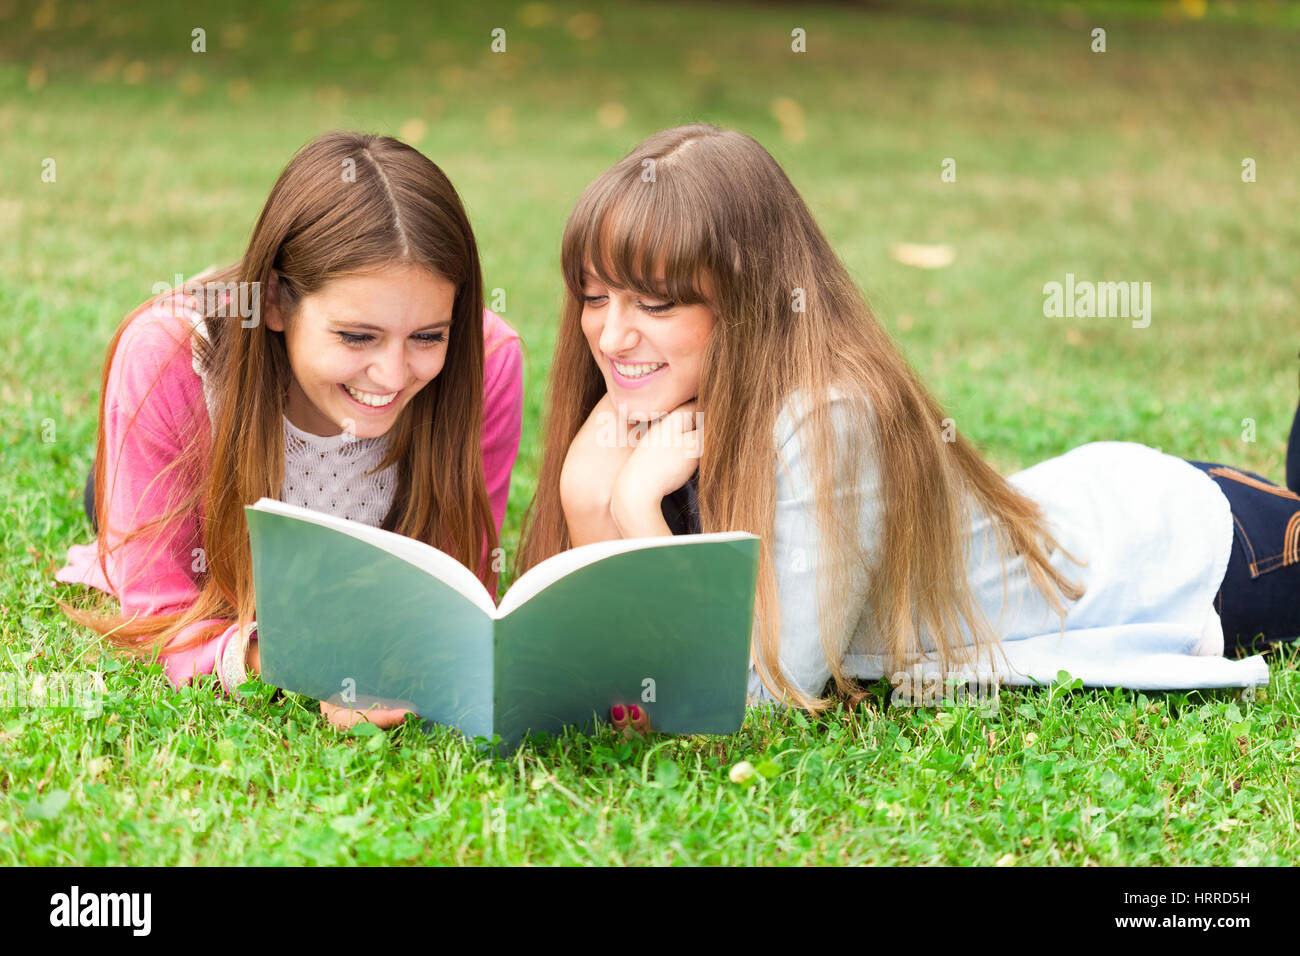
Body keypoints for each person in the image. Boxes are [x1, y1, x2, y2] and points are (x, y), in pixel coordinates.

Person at [516, 123, 1290, 737]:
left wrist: (631, 510)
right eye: (594, 297)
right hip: (1087, 504)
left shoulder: (830, 418)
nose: (612, 336)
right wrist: (587, 498)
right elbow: (620, 674)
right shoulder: (640, 406)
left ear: (749, 297)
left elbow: (759, 699)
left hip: (1195, 557)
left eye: (655, 305)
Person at [56, 131, 524, 731]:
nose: (393, 373)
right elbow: (161, 611)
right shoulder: (167, 358)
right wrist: (307, 664)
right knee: (119, 502)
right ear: (274, 301)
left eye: (427, 336)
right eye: (358, 336)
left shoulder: (485, 360)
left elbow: (459, 585)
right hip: (202, 459)